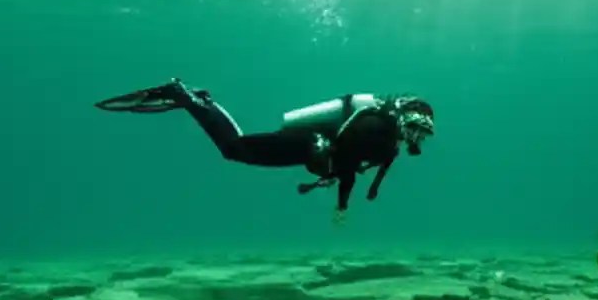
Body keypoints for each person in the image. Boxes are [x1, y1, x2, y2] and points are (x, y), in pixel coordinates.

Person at [95, 78, 435, 223]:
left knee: (237, 149)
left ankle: (200, 101)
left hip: (306, 151)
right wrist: (342, 207)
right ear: (406, 118)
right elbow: (347, 164)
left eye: (422, 134)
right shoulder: (376, 129)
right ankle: (184, 96)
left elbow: (360, 169)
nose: (417, 137)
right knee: (235, 149)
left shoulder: (388, 143)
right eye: (417, 129)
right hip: (303, 144)